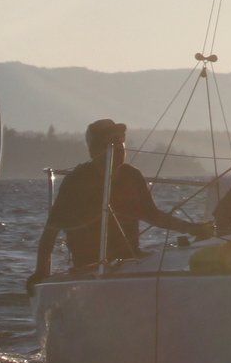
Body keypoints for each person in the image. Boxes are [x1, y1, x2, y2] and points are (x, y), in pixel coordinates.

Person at [26, 119, 211, 289]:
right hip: (89, 266)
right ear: (95, 150)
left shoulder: (132, 176)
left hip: (129, 260)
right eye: (112, 144)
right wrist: (41, 272)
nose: (120, 149)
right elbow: (51, 231)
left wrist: (193, 229)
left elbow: (153, 216)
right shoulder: (77, 181)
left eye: (122, 144)